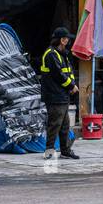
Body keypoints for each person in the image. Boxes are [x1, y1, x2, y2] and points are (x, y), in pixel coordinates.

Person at [39, 26, 80, 160]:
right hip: (54, 96)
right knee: (54, 125)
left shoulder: (63, 54)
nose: (68, 40)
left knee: (64, 126)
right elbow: (58, 75)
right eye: (67, 38)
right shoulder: (51, 54)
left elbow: (69, 71)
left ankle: (65, 151)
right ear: (62, 40)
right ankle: (49, 151)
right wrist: (71, 86)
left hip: (62, 96)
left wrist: (72, 85)